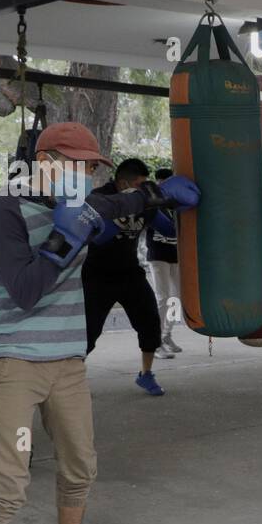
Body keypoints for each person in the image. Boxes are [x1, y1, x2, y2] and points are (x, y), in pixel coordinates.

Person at [0, 122, 199, 524]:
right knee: (7, 481)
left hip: (67, 358)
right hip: (15, 360)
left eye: (89, 167)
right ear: (42, 158)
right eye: (74, 163)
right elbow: (26, 289)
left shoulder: (87, 203)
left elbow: (116, 210)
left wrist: (157, 195)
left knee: (80, 462)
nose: (83, 174)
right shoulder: (5, 210)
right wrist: (65, 236)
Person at [82, 158, 174, 395]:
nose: (144, 191)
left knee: (150, 324)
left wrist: (180, 205)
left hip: (130, 272)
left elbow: (169, 229)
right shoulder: (100, 198)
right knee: (88, 333)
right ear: (123, 183)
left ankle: (146, 374)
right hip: (97, 274)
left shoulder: (145, 202)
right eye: (139, 185)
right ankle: (73, 379)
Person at [147, 166, 182, 360]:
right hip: (158, 254)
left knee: (177, 298)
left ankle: (167, 335)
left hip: (175, 255)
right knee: (162, 297)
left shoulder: (177, 202)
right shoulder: (153, 201)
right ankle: (156, 343)